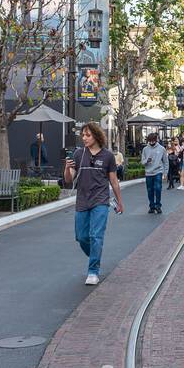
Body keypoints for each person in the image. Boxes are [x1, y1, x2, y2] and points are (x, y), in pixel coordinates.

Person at [64, 121, 123, 285]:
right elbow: (69, 179)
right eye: (83, 135)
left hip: (101, 201)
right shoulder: (78, 154)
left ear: (96, 136)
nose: (84, 138)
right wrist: (67, 168)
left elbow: (114, 181)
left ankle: (93, 271)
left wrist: (119, 202)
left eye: (88, 135)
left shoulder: (108, 156)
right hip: (82, 201)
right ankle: (95, 256)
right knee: (82, 237)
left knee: (96, 236)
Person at [141, 133, 167, 214]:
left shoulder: (162, 149)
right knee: (150, 190)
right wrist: (146, 161)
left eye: (153, 141)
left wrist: (165, 173)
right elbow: (142, 162)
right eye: (150, 141)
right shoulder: (145, 149)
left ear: (156, 140)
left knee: (158, 188)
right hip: (148, 173)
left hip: (158, 171)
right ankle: (152, 206)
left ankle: (158, 205)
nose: (151, 142)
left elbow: (166, 161)